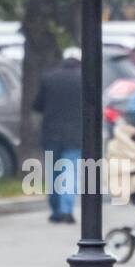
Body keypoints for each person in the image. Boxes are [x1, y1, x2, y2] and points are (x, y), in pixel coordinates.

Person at [32, 46, 83, 223]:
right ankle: (66, 209)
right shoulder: (84, 79)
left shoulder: (49, 78)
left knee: (53, 173)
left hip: (51, 134)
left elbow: (37, 105)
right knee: (69, 171)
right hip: (75, 136)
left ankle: (55, 210)